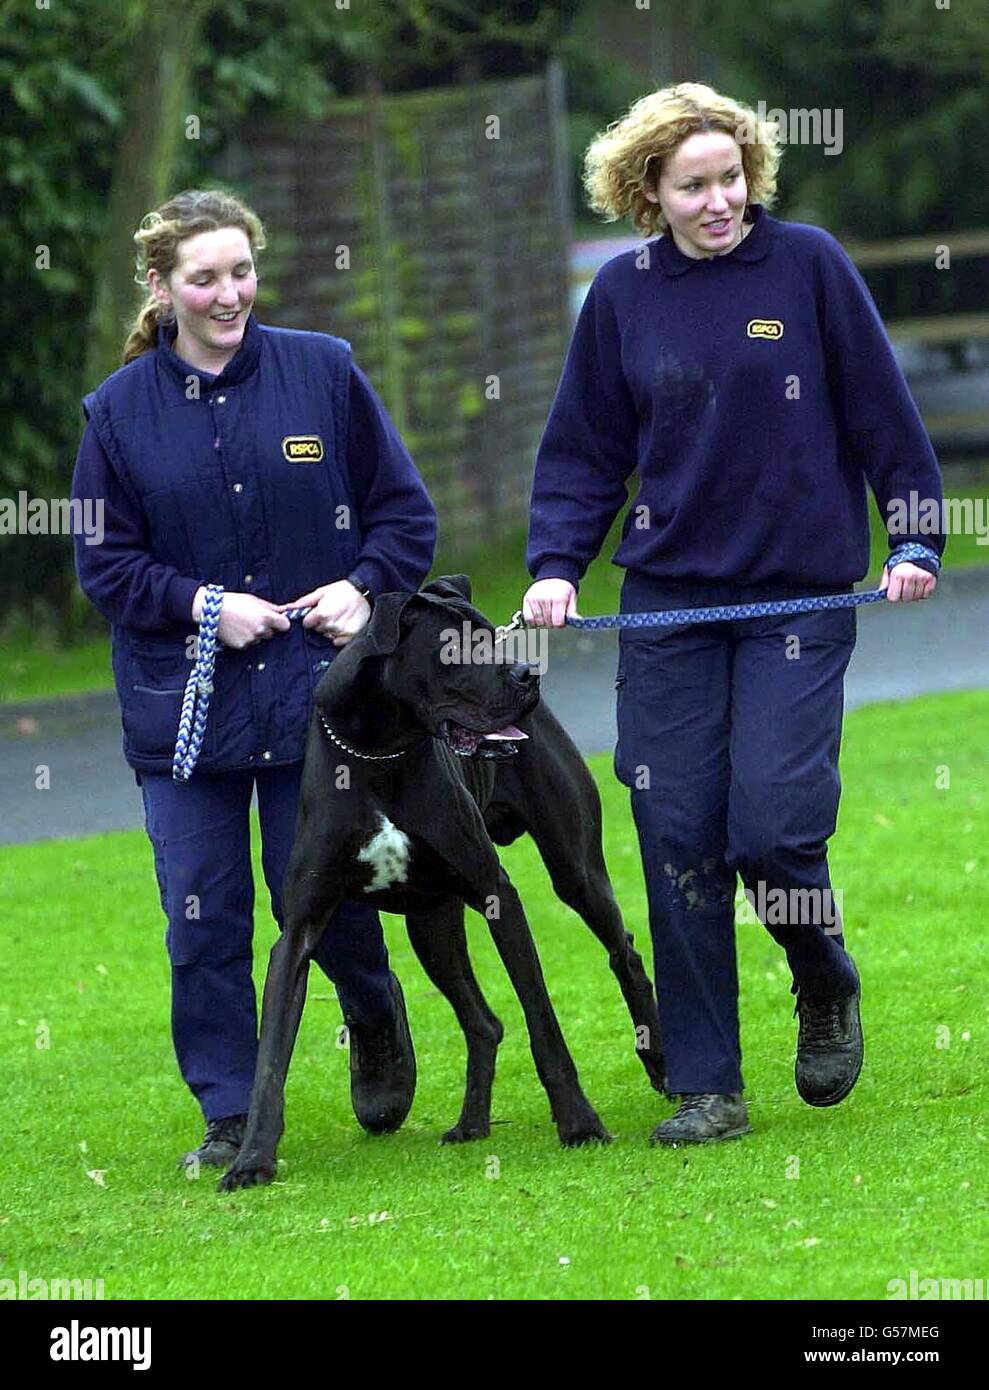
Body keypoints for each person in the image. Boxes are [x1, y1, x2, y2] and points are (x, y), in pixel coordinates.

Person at [522, 83, 944, 1145]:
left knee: (768, 826)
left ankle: (821, 974)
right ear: (646, 192)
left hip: (795, 596)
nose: (719, 202)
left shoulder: (807, 266)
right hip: (668, 604)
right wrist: (554, 566)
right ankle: (706, 1082)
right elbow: (582, 450)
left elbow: (879, 413)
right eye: (693, 186)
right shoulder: (621, 297)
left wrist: (912, 533)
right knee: (675, 831)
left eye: (731, 180)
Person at [71, 188, 437, 1168]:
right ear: (161, 286)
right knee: (202, 912)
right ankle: (230, 1110)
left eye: (241, 271)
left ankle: (374, 1017)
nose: (229, 293)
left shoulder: (323, 373)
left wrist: (363, 589)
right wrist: (202, 604)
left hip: (319, 701)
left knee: (323, 896)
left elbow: (403, 516)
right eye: (204, 278)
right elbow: (102, 568)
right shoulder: (115, 414)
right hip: (181, 715)